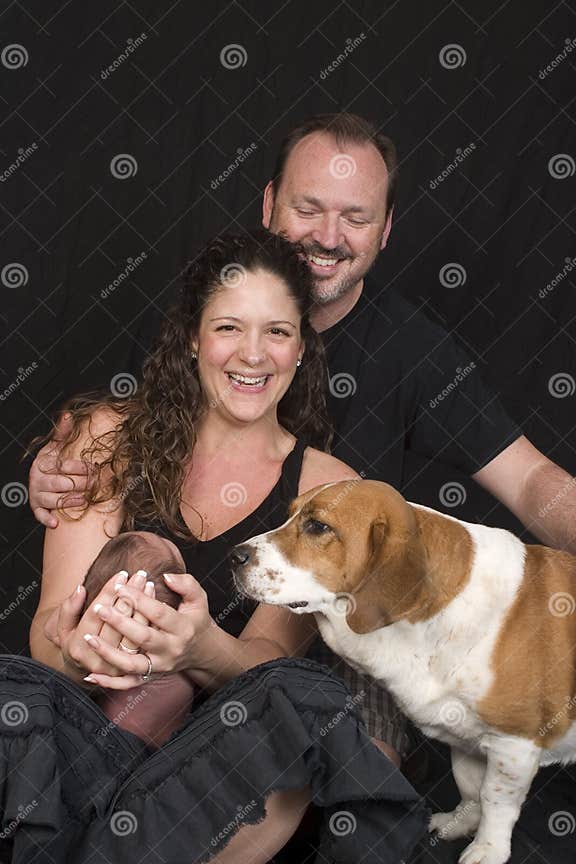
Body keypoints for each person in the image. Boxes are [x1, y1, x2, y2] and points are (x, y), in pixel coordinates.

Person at [29, 113, 576, 766]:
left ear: (385, 229)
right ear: (268, 204)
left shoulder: (414, 353)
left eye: (355, 216)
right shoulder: (211, 302)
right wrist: (64, 460)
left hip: (339, 642)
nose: (328, 236)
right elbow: (135, 428)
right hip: (195, 607)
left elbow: (534, 481)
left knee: (354, 757)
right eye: (308, 208)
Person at [9, 228, 426, 864]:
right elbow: (45, 636)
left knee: (295, 700)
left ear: (301, 350)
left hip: (207, 777)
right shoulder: (103, 438)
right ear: (191, 338)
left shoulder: (330, 489)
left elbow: (264, 657)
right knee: (15, 690)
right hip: (87, 737)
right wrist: (79, 651)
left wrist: (201, 648)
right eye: (229, 327)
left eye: (278, 332)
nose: (253, 355)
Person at [77, 531, 196, 748]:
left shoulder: (89, 636)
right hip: (163, 756)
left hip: (100, 740)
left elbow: (52, 630)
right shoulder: (180, 670)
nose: (166, 538)